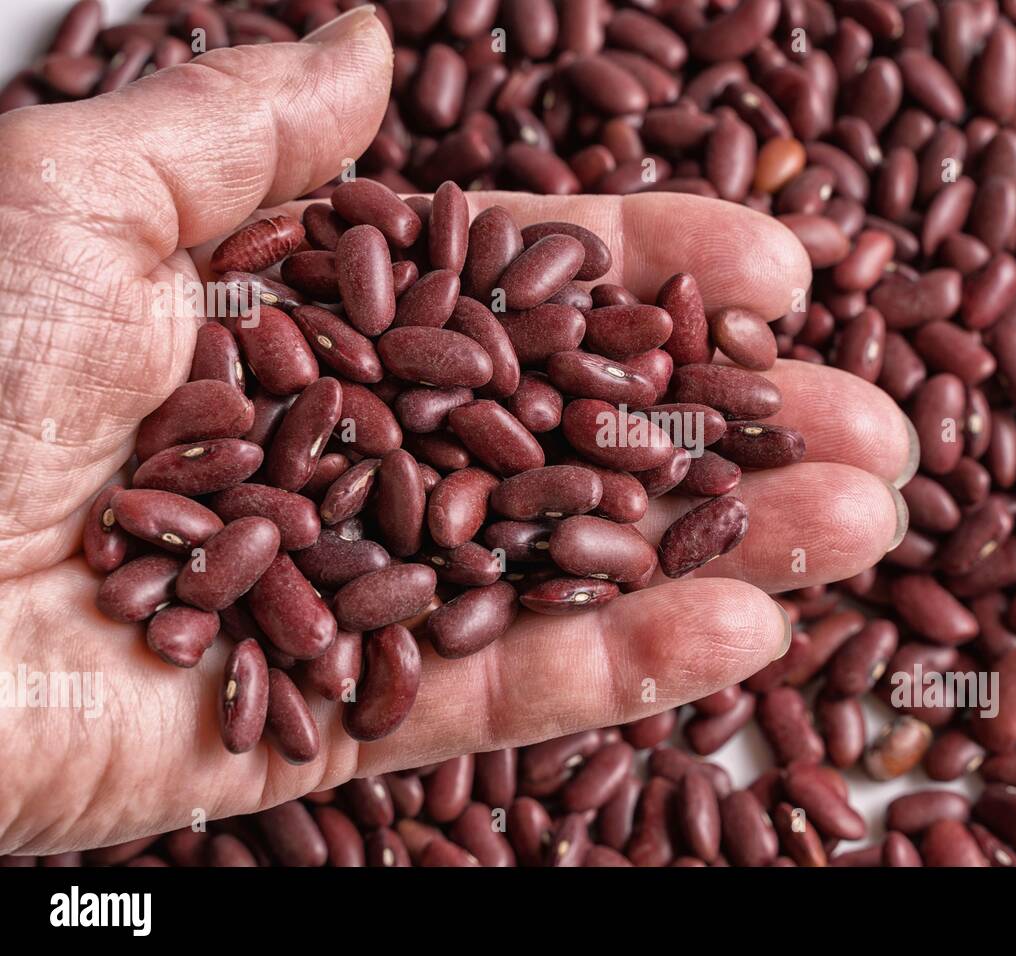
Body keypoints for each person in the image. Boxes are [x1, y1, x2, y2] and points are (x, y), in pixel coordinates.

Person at [0, 6, 913, 856]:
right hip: (331, 494)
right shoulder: (306, 422)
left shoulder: (475, 407)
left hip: (413, 479)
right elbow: (332, 467)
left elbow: (476, 442)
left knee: (450, 476)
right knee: (334, 481)